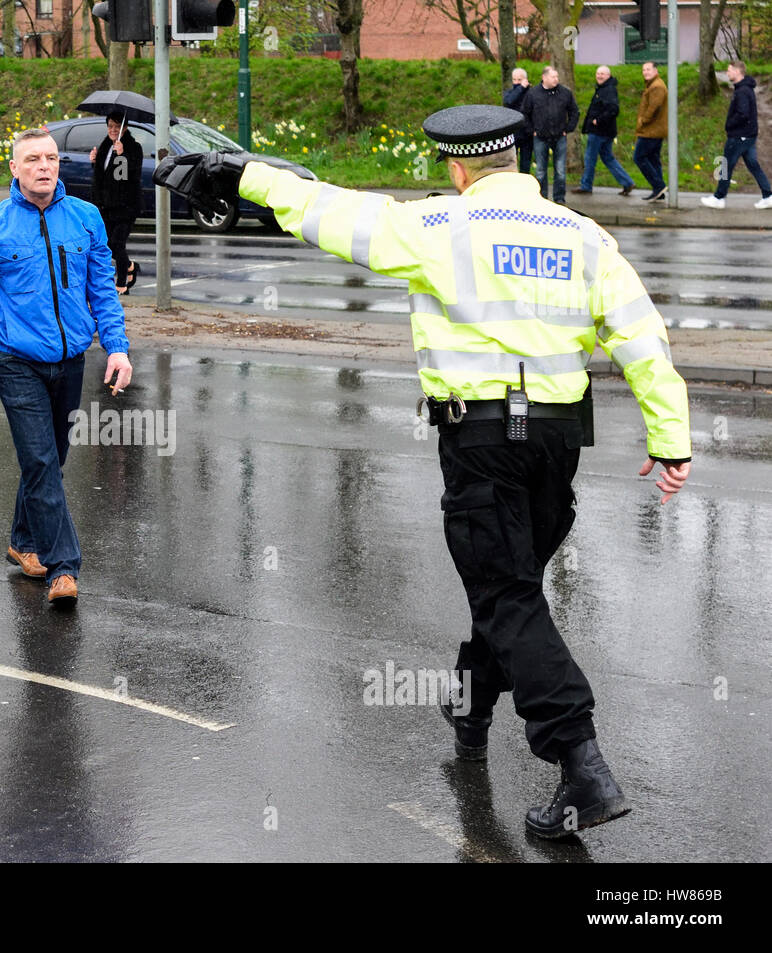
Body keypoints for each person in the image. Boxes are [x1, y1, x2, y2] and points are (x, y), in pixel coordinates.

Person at [155, 104, 692, 838]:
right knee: (508, 584)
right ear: (515, 159)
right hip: (558, 442)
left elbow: (327, 209)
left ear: (458, 166)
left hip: (481, 441)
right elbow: (642, 338)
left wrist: (245, 173)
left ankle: (581, 762)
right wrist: (671, 439)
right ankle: (470, 707)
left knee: (505, 592)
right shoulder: (583, 236)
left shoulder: (441, 228)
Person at [0, 128, 132, 606]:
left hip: (70, 358)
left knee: (49, 461)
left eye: (51, 157)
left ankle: (23, 540)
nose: (44, 166)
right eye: (32, 158)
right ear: (14, 168)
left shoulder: (86, 218)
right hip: (16, 361)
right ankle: (64, 568)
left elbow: (102, 289)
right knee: (39, 461)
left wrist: (116, 347)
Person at [701, 60, 772, 210]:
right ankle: (768, 196)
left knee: (726, 165)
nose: (727, 73)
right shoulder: (744, 89)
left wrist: (729, 125)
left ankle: (719, 198)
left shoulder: (743, 91)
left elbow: (743, 114)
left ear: (737, 71)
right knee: (753, 164)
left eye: (729, 70)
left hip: (739, 136)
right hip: (747, 135)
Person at [89, 111, 143, 294]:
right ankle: (129, 267)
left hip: (125, 206)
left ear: (125, 128)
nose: (113, 130)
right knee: (108, 244)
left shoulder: (133, 148)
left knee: (117, 243)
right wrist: (94, 162)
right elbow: (105, 178)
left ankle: (121, 284)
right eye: (110, 126)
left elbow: (126, 178)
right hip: (107, 205)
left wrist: (122, 156)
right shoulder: (105, 146)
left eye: (117, 126)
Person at [573, 66, 634, 196]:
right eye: (598, 73)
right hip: (606, 131)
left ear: (608, 75)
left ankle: (586, 185)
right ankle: (627, 182)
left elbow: (613, 109)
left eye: (602, 74)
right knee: (608, 158)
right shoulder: (604, 89)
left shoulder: (608, 90)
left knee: (590, 158)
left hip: (599, 131)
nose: (599, 76)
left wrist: (598, 120)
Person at [522, 66, 578, 204]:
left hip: (559, 136)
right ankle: (542, 198)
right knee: (540, 170)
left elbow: (574, 111)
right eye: (553, 77)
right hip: (540, 137)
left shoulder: (565, 93)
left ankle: (559, 198)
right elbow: (524, 113)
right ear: (544, 77)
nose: (556, 79)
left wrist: (569, 128)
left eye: (557, 77)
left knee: (560, 170)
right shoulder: (533, 93)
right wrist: (532, 130)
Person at [634, 61, 668, 202]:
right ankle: (659, 192)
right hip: (655, 130)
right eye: (643, 70)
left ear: (655, 71)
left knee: (639, 157)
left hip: (651, 130)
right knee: (653, 160)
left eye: (648, 69)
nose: (645, 72)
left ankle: (658, 186)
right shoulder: (654, 85)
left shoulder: (657, 86)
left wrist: (644, 120)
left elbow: (654, 107)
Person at [502, 68, 533, 174]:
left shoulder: (531, 93)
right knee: (511, 162)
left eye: (519, 80)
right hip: (513, 133)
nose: (516, 82)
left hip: (527, 132)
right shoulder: (510, 92)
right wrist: (520, 88)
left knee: (526, 163)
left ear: (525, 79)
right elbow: (509, 101)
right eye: (514, 80)